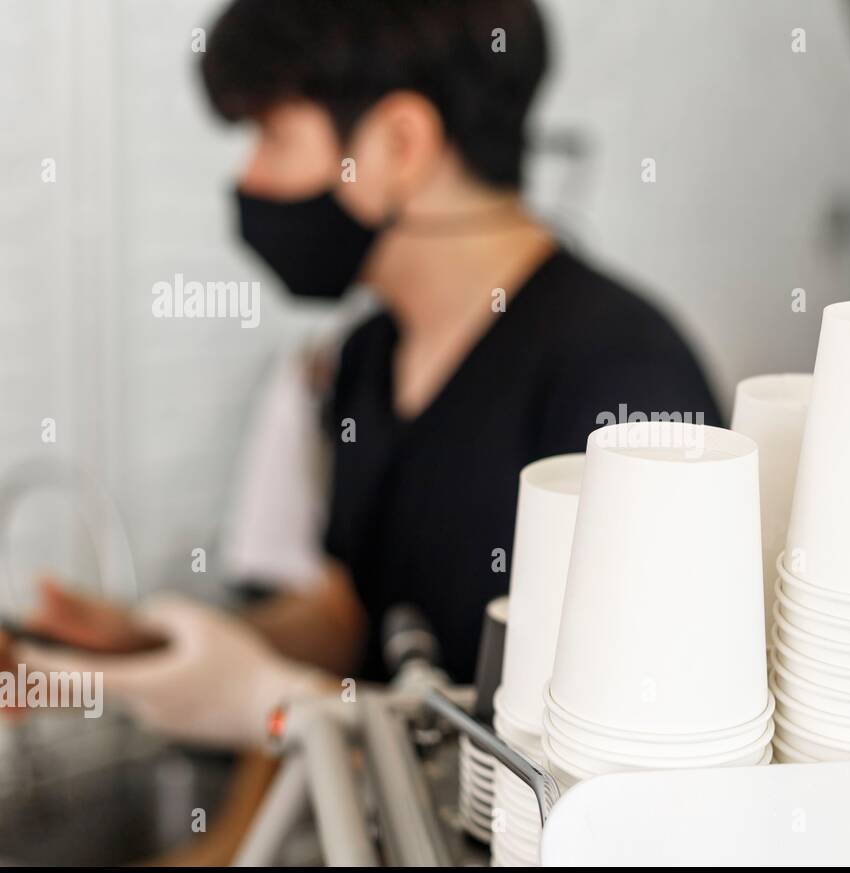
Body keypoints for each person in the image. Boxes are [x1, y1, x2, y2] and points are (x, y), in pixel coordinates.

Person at [4, 0, 718, 748]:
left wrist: (270, 702)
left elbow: (629, 755)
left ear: (399, 144)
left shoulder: (623, 380)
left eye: (274, 138)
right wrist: (162, 646)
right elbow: (353, 612)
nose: (249, 177)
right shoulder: (367, 356)